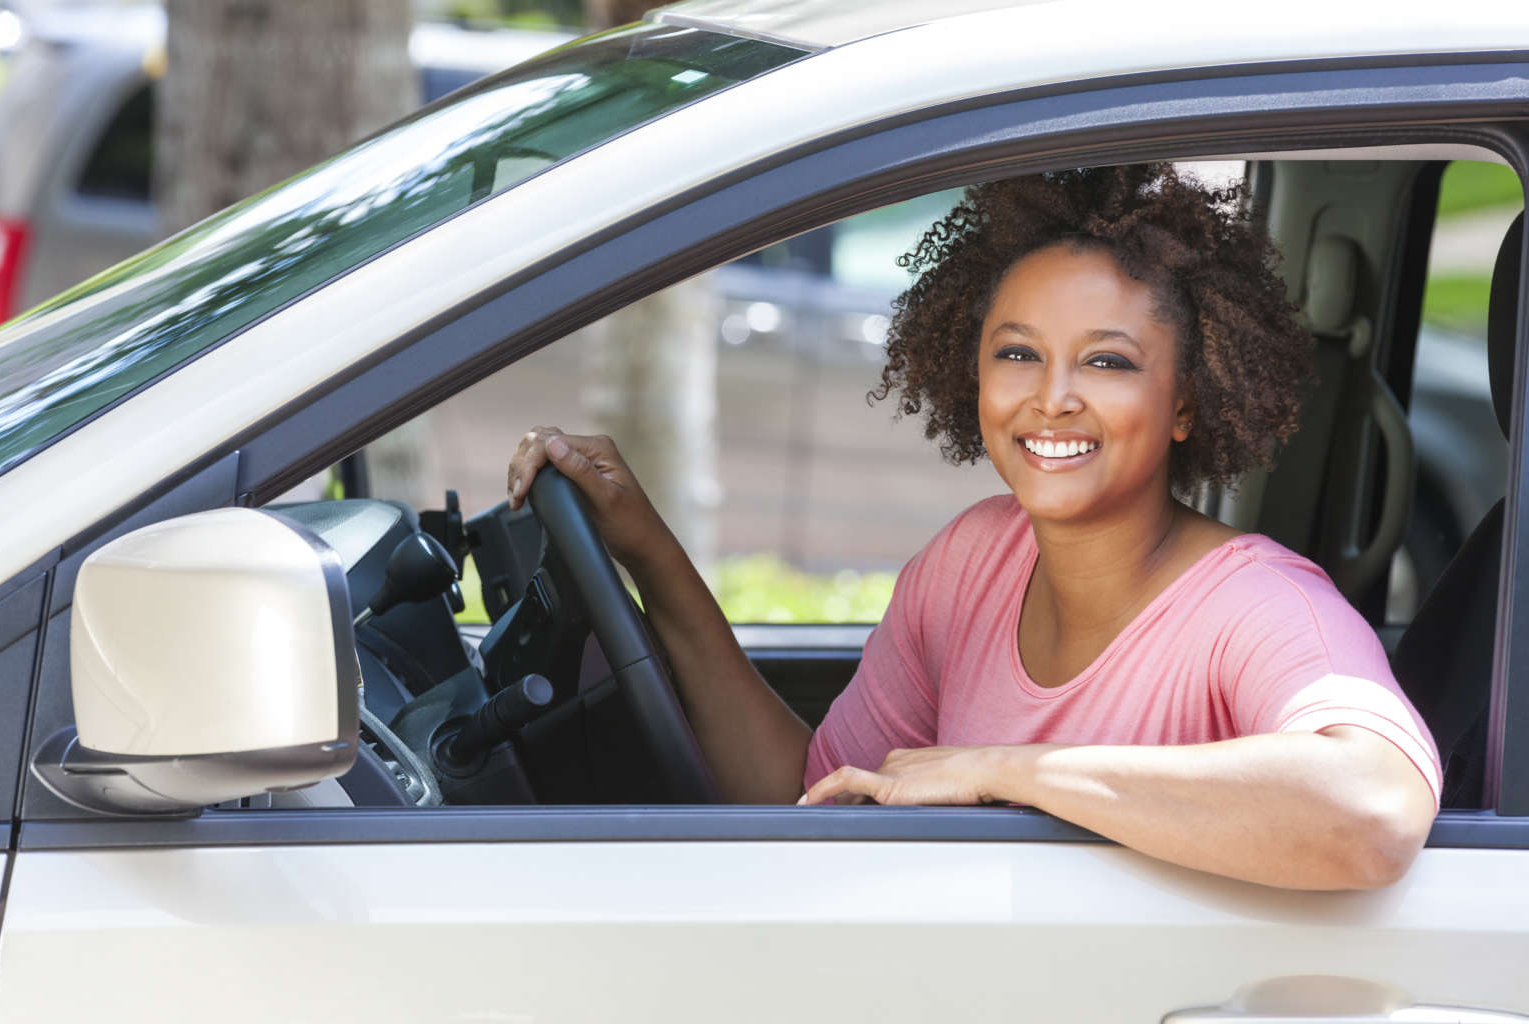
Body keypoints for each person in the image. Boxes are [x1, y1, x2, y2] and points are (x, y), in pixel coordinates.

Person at [506, 164, 1440, 890]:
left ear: (1186, 400)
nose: (1053, 398)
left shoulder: (1257, 605)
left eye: (1108, 362)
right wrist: (650, 554)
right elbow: (805, 792)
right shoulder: (972, 563)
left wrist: (1011, 773)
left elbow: (1375, 809)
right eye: (1019, 353)